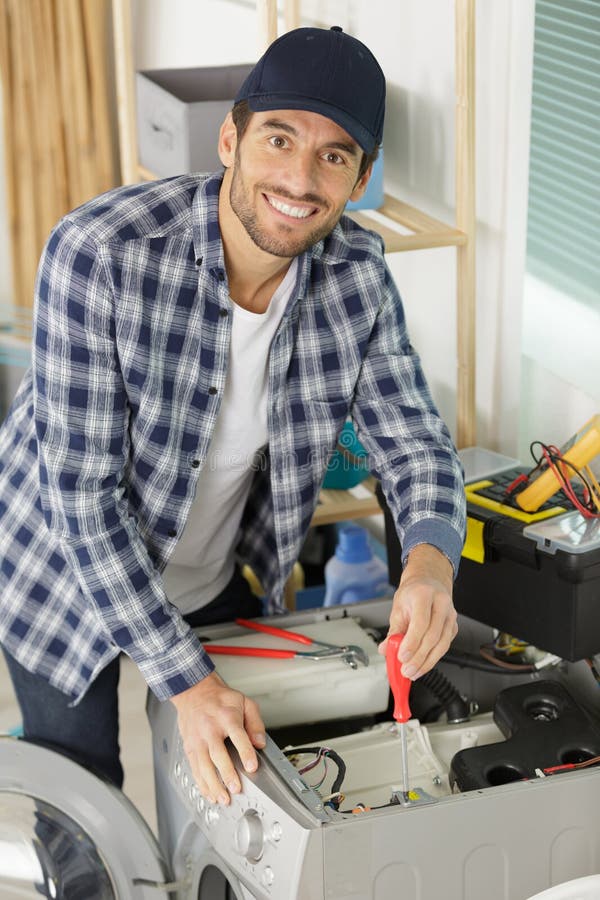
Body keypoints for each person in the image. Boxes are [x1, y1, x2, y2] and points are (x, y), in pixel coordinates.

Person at [0, 26, 465, 807]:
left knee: (240, 782)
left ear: (360, 179)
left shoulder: (357, 279)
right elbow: (81, 499)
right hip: (62, 573)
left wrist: (429, 563)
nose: (300, 177)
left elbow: (416, 445)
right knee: (85, 800)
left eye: (334, 155)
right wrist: (186, 683)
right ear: (229, 138)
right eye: (279, 138)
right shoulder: (99, 254)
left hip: (213, 570)